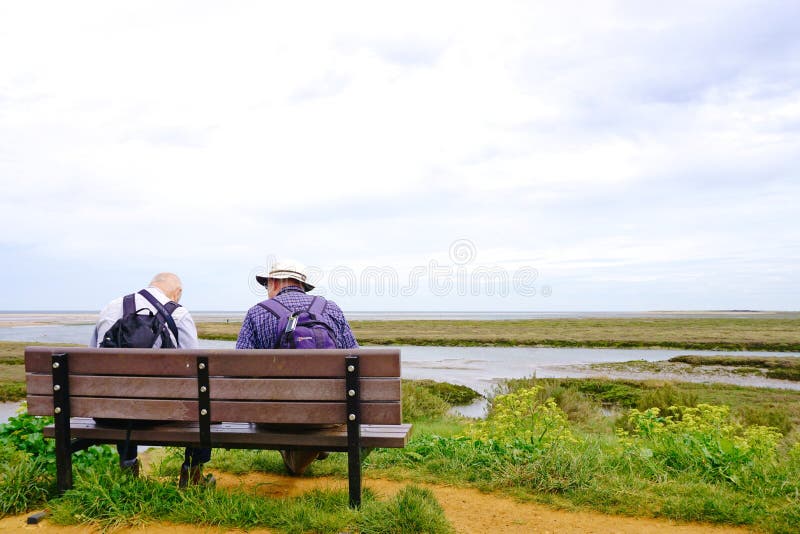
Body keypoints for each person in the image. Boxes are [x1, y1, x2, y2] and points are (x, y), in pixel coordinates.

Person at [90, 272, 214, 487]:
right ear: (178, 292)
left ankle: (127, 467)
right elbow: (195, 370)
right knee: (204, 400)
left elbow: (91, 360)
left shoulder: (112, 307)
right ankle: (192, 472)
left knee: (122, 393)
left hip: (112, 413)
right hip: (163, 413)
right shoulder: (179, 313)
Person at [236, 260, 359, 474]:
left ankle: (303, 452)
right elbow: (356, 358)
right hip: (330, 415)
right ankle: (312, 446)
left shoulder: (256, 313)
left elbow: (238, 370)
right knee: (311, 424)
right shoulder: (331, 308)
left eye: (267, 286)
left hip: (274, 419)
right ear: (302, 285)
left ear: (273, 283)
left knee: (282, 408)